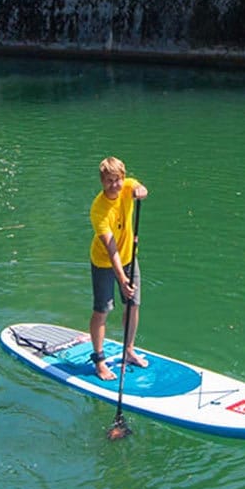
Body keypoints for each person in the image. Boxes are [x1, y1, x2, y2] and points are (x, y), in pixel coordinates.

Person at [89, 157, 148, 381]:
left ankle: (128, 350)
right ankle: (99, 362)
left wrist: (141, 191)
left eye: (118, 180)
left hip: (129, 257)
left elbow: (139, 188)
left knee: (133, 304)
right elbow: (111, 248)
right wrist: (122, 279)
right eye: (109, 181)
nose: (114, 185)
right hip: (104, 261)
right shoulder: (99, 210)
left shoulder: (127, 186)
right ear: (102, 181)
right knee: (102, 310)